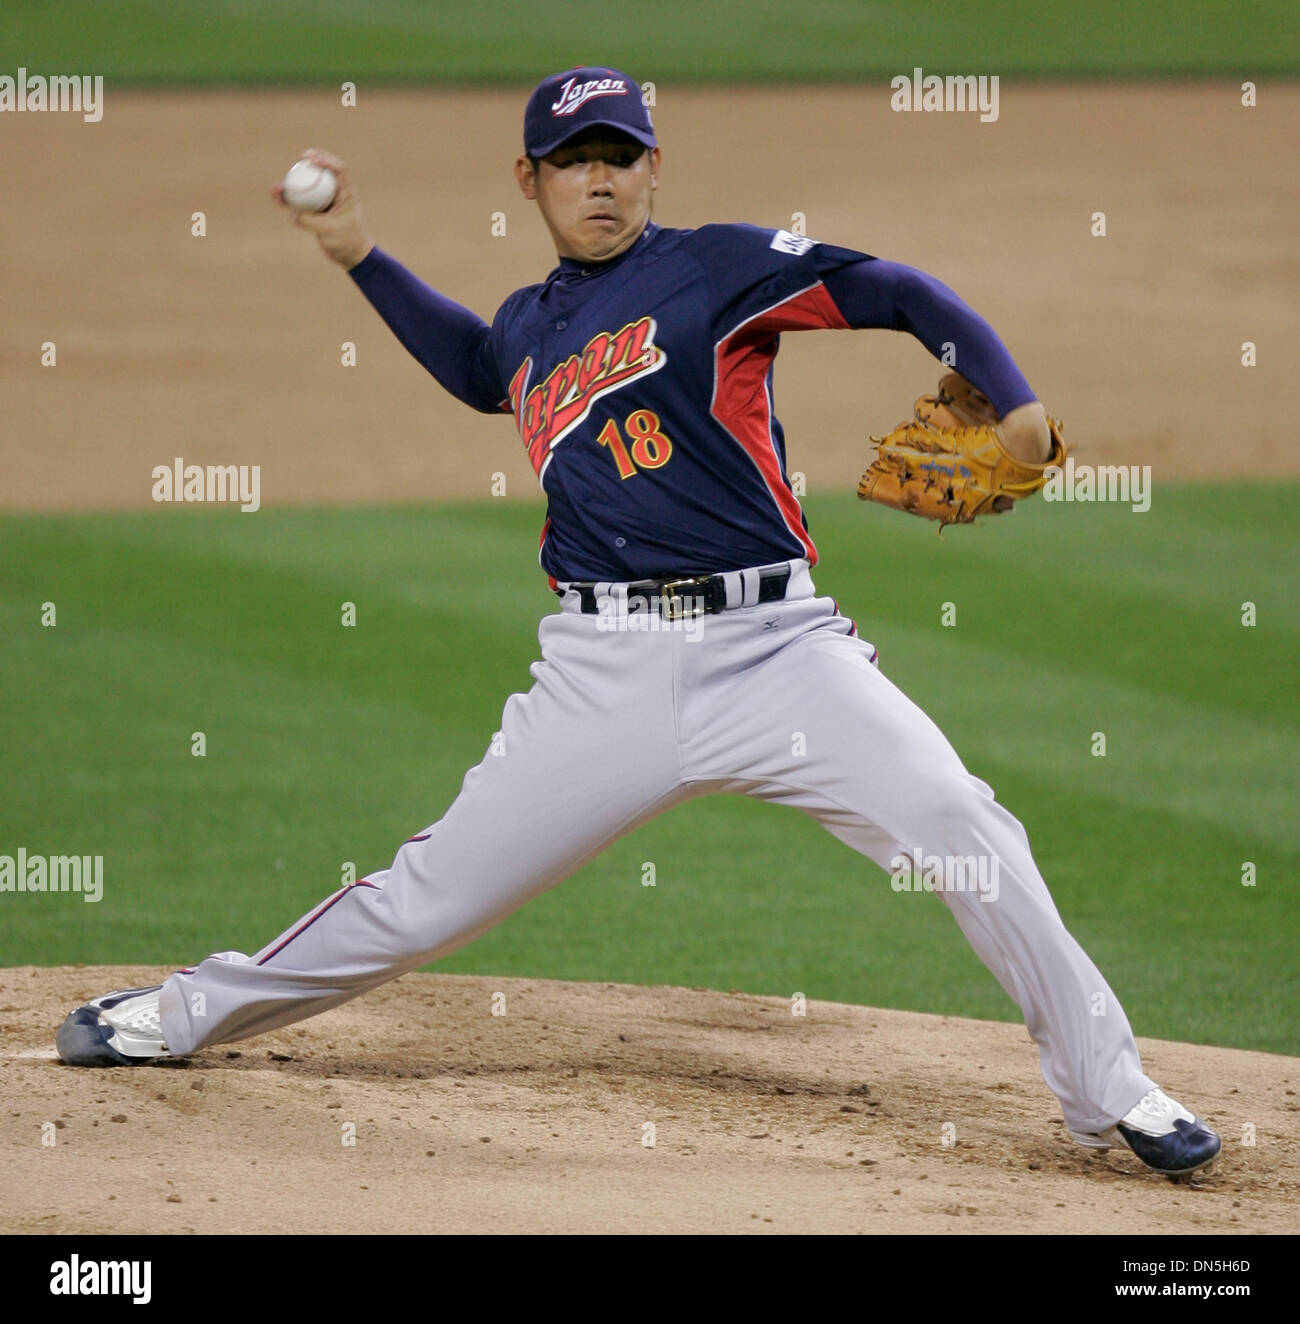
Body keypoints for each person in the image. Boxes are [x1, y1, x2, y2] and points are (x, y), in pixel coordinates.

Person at [57, 66, 1220, 1179]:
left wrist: (1012, 401)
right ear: (532, 181)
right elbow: (475, 367)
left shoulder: (718, 270)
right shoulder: (526, 328)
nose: (598, 179)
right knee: (426, 899)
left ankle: (1109, 1089)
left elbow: (897, 291)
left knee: (970, 831)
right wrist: (357, 251)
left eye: (618, 156)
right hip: (600, 674)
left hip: (780, 658)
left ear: (654, 167)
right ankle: (179, 1014)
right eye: (573, 162)